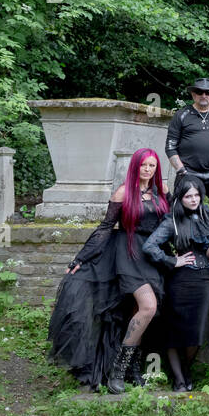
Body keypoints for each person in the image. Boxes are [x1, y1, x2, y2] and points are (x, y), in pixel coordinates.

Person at [50, 148, 169, 393]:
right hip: (128, 254)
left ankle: (133, 369)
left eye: (152, 166)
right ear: (135, 166)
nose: (148, 170)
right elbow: (106, 227)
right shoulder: (124, 192)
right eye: (144, 165)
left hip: (152, 257)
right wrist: (81, 258)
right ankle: (118, 368)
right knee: (148, 307)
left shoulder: (163, 193)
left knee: (139, 312)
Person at [144, 174, 209, 391]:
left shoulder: (205, 213)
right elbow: (149, 246)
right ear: (180, 198)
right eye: (188, 196)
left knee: (196, 333)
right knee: (175, 333)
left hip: (202, 280)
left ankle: (184, 370)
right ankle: (179, 380)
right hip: (180, 281)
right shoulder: (171, 220)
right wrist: (173, 261)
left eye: (196, 195)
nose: (193, 200)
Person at [165, 78, 209, 209]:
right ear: (193, 94)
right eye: (199, 92)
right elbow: (170, 147)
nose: (204, 96)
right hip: (189, 172)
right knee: (180, 211)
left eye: (208, 93)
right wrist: (181, 170)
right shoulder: (181, 115)